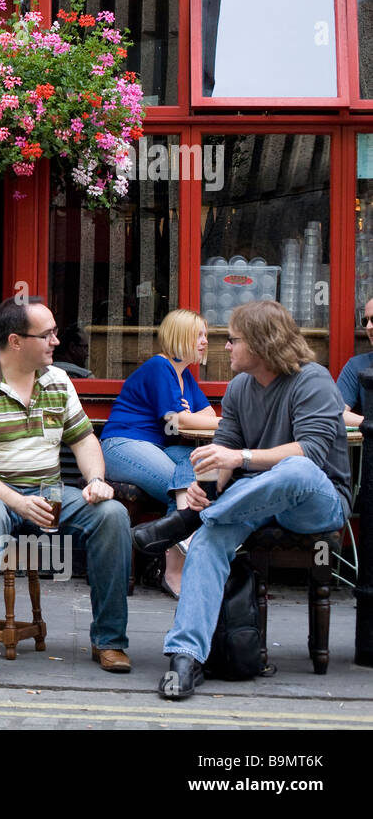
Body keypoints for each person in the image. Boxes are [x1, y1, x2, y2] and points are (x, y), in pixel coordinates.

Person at [135, 300, 350, 701]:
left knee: (295, 471)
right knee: (211, 538)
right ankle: (185, 658)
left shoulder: (314, 380)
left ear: (261, 343)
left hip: (317, 503)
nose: (225, 348)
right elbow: (225, 450)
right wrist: (206, 486)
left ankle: (189, 521)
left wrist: (241, 459)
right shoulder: (238, 389)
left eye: (232, 340)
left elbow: (312, 453)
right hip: (253, 501)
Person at [0, 296, 130, 681]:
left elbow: (84, 441)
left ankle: (109, 640)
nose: (56, 341)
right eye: (46, 334)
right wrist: (16, 501)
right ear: (16, 341)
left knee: (113, 515)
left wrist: (96, 480)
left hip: (46, 493)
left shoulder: (58, 381)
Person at [100, 309, 219, 598]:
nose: (204, 341)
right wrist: (205, 419)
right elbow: (178, 420)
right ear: (180, 337)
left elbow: (205, 413)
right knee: (186, 487)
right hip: (122, 445)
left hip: (157, 447)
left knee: (200, 462)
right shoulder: (160, 367)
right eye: (198, 335)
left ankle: (166, 555)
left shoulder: (184, 376)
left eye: (205, 335)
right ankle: (174, 571)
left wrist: (194, 417)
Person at [336, 296, 373, 427]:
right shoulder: (357, 365)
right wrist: (369, 424)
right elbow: (336, 412)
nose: (368, 327)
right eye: (365, 321)